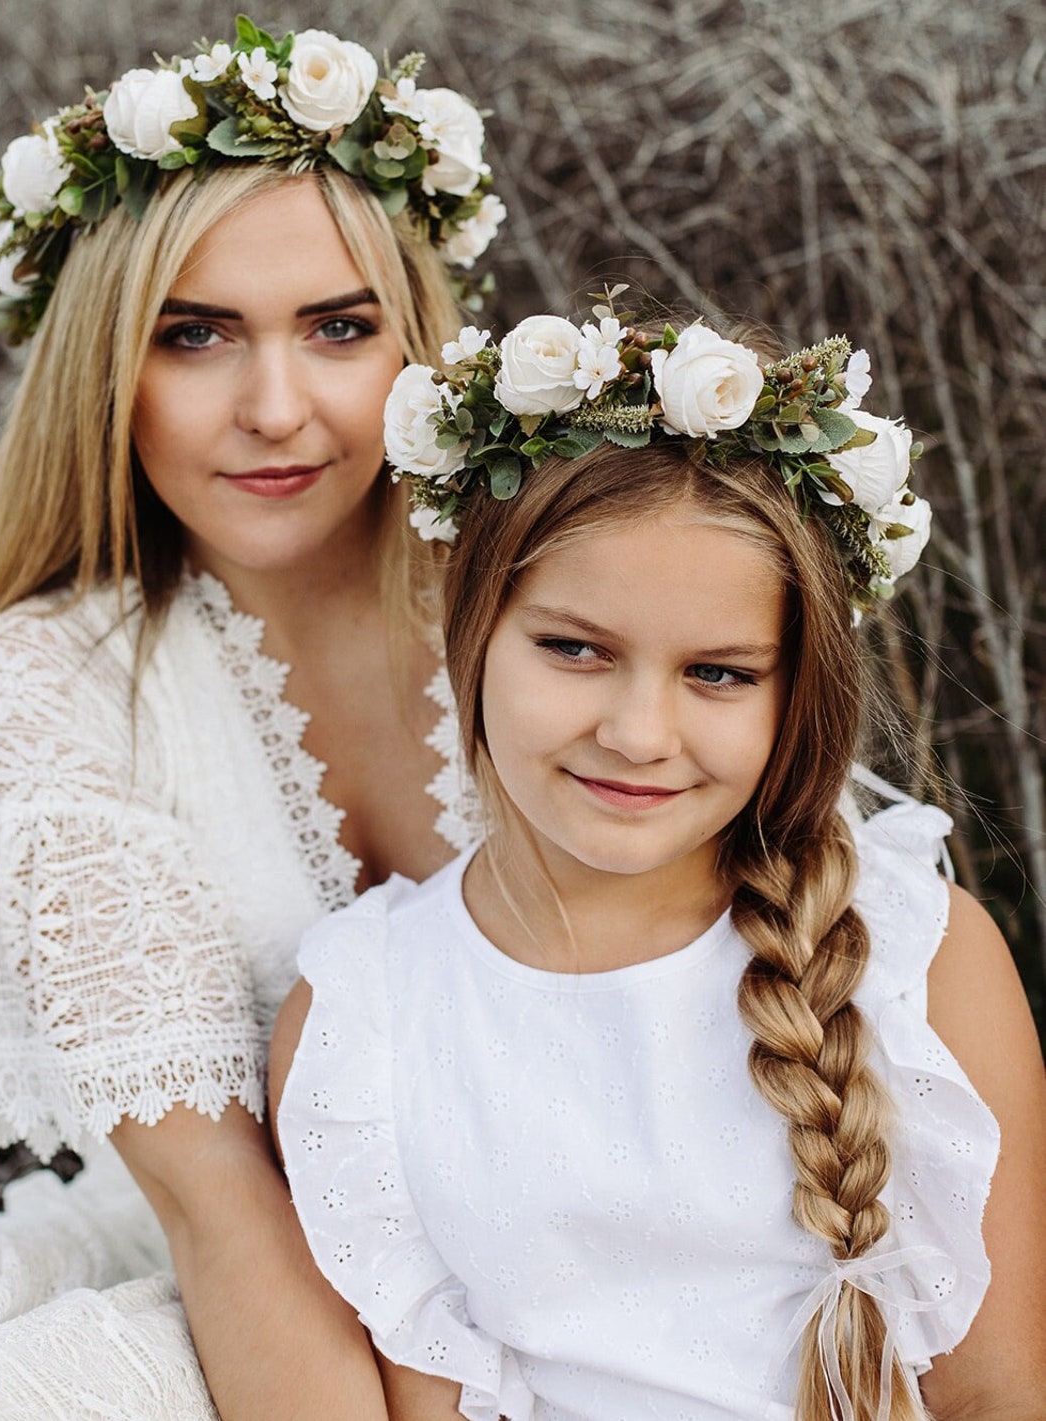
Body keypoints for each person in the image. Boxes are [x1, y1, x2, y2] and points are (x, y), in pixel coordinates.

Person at [274, 312, 1046, 1421]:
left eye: (720, 673)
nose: (640, 732)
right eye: (574, 647)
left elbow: (1000, 1393)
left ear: (795, 694)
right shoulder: (362, 1010)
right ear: (470, 626)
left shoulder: (916, 955)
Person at [0, 18, 504, 1420]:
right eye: (195, 335)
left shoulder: (555, 610)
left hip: (583, 1244)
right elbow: (217, 1201)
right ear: (107, 366)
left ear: (417, 339)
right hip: (225, 1277)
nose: (276, 408)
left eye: (340, 328)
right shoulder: (55, 674)